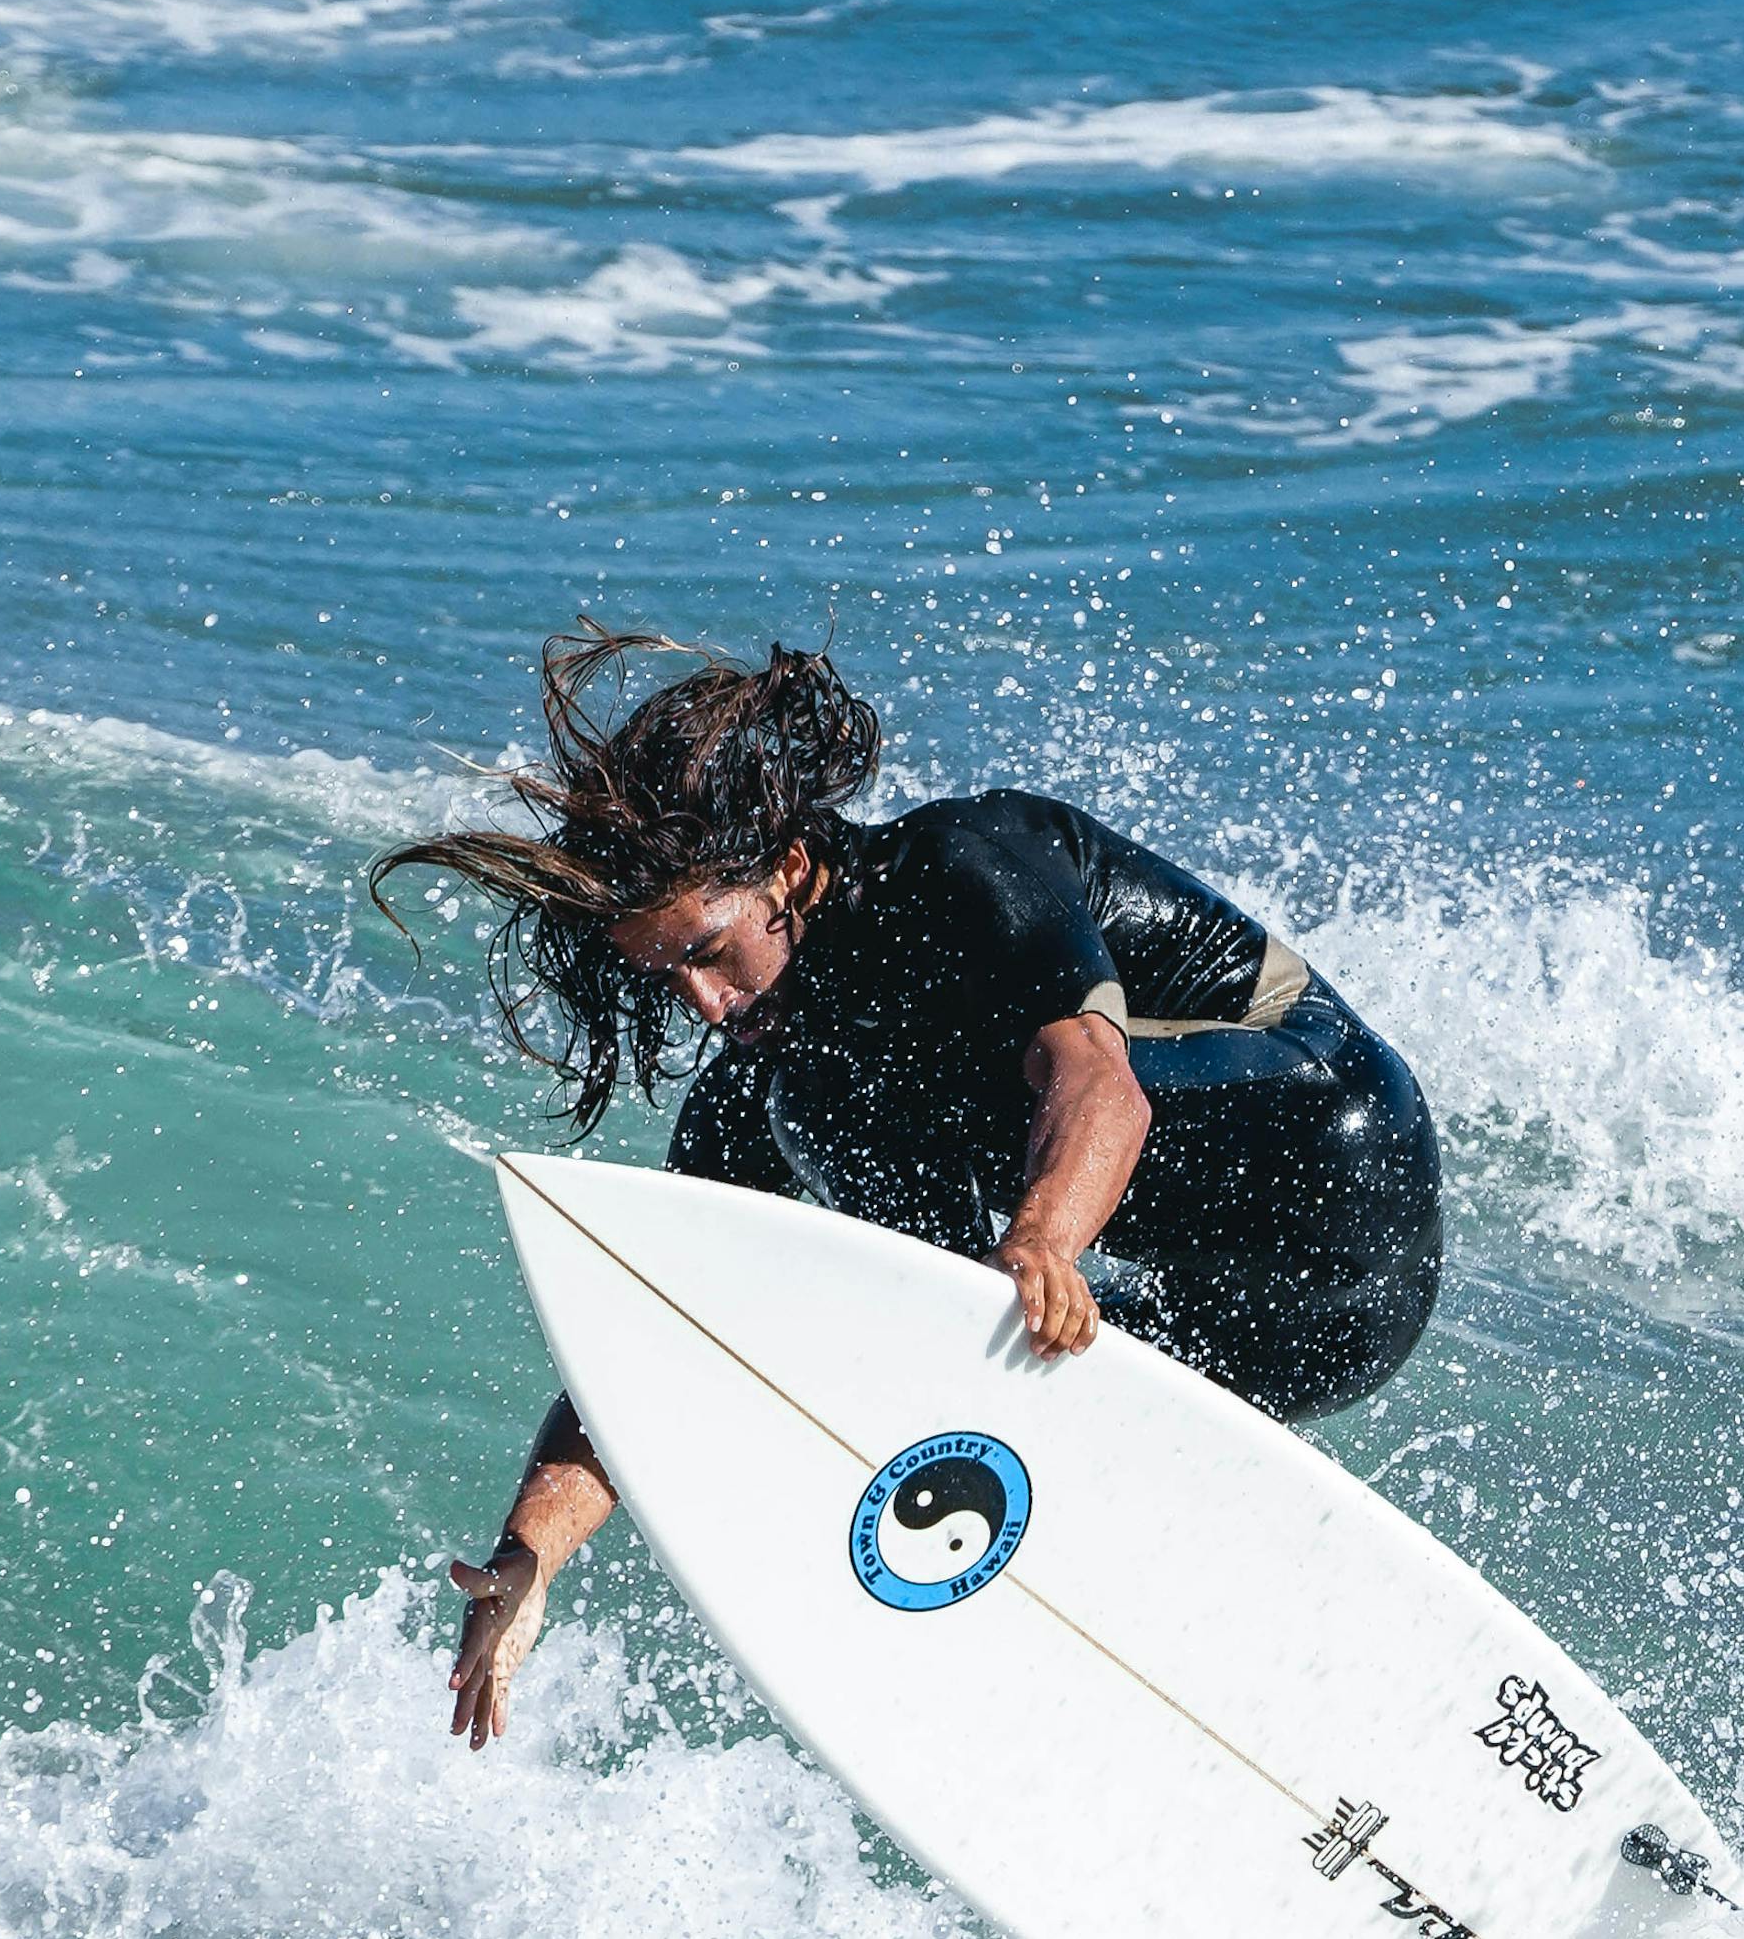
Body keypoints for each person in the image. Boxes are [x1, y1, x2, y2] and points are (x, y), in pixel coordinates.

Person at [393, 634, 1444, 1748]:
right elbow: (666, 1331)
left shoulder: (962, 862)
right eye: (668, 975)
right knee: (852, 1246)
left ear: (787, 867)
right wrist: (529, 1552)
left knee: (863, 1128)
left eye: (711, 948)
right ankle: (1270, 1699)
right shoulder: (774, 1070)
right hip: (1275, 1330)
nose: (703, 1001)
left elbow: (1099, 1087)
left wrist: (1039, 1243)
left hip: (1334, 1159)